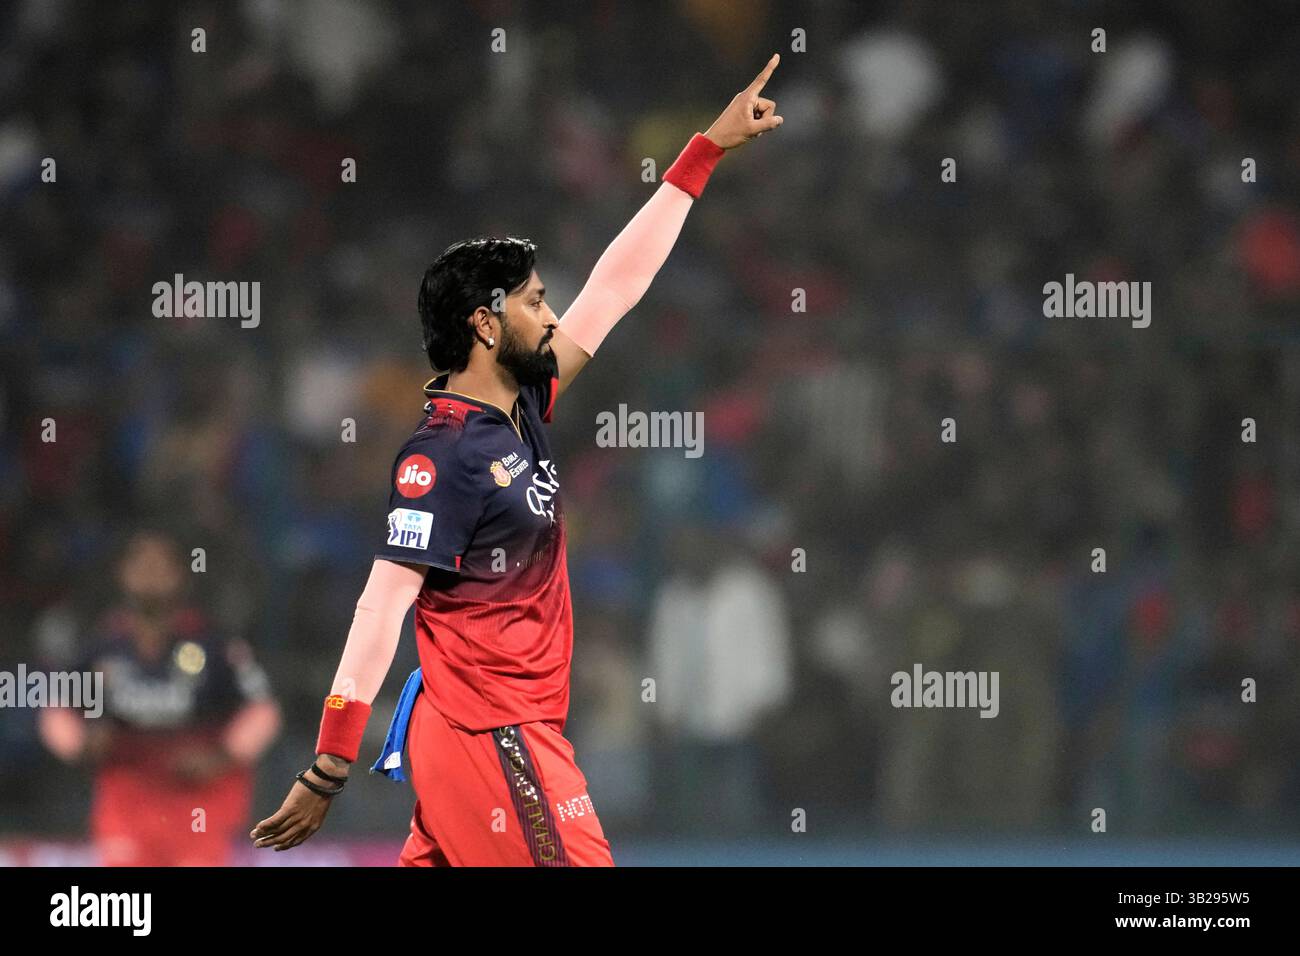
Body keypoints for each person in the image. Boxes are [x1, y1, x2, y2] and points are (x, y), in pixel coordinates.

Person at [250, 55, 785, 866]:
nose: (552, 309)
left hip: (490, 732)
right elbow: (381, 604)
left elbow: (615, 289)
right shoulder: (443, 453)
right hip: (490, 734)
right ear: (486, 326)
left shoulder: (524, 407)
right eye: (535, 300)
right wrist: (329, 763)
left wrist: (701, 153)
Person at [38, 530, 282, 866]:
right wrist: (81, 744)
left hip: (199, 798)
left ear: (180, 575)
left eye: (160, 565)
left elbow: (262, 709)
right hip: (127, 797)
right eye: (141, 564)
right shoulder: (100, 647)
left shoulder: (214, 644)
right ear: (122, 574)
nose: (150, 573)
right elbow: (58, 709)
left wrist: (223, 754)